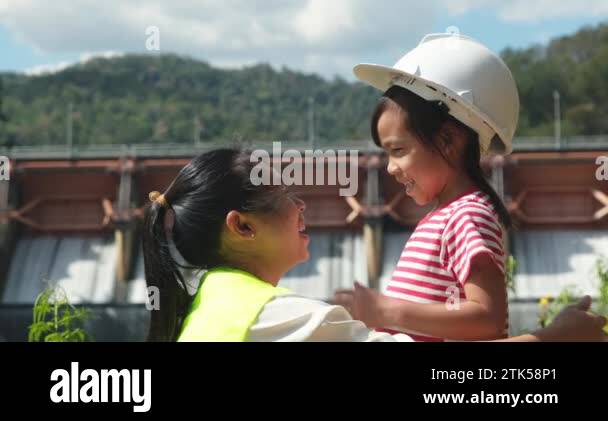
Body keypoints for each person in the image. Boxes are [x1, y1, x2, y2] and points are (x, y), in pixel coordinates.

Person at [142, 148, 606, 342]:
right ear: (242, 227)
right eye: (286, 197)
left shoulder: (210, 305)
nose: (301, 206)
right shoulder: (284, 320)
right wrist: (556, 337)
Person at [333, 32, 525, 341]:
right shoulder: (444, 217)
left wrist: (385, 311)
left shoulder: (467, 216)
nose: (390, 168)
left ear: (447, 140)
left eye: (398, 151)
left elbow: (488, 318)